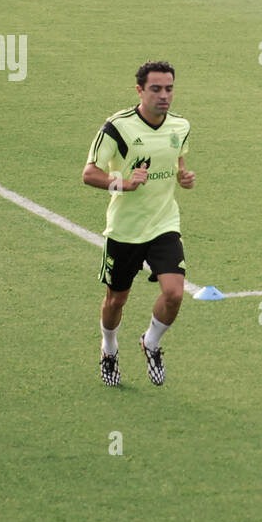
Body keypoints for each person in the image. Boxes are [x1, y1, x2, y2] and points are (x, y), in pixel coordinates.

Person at [83, 62, 194, 387]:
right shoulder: (118, 128)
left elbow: (178, 161)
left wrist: (183, 177)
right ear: (140, 91)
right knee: (116, 299)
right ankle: (109, 348)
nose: (164, 95)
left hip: (164, 223)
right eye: (156, 89)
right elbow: (89, 173)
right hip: (125, 229)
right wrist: (125, 183)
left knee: (174, 293)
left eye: (169, 89)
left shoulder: (180, 126)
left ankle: (151, 342)